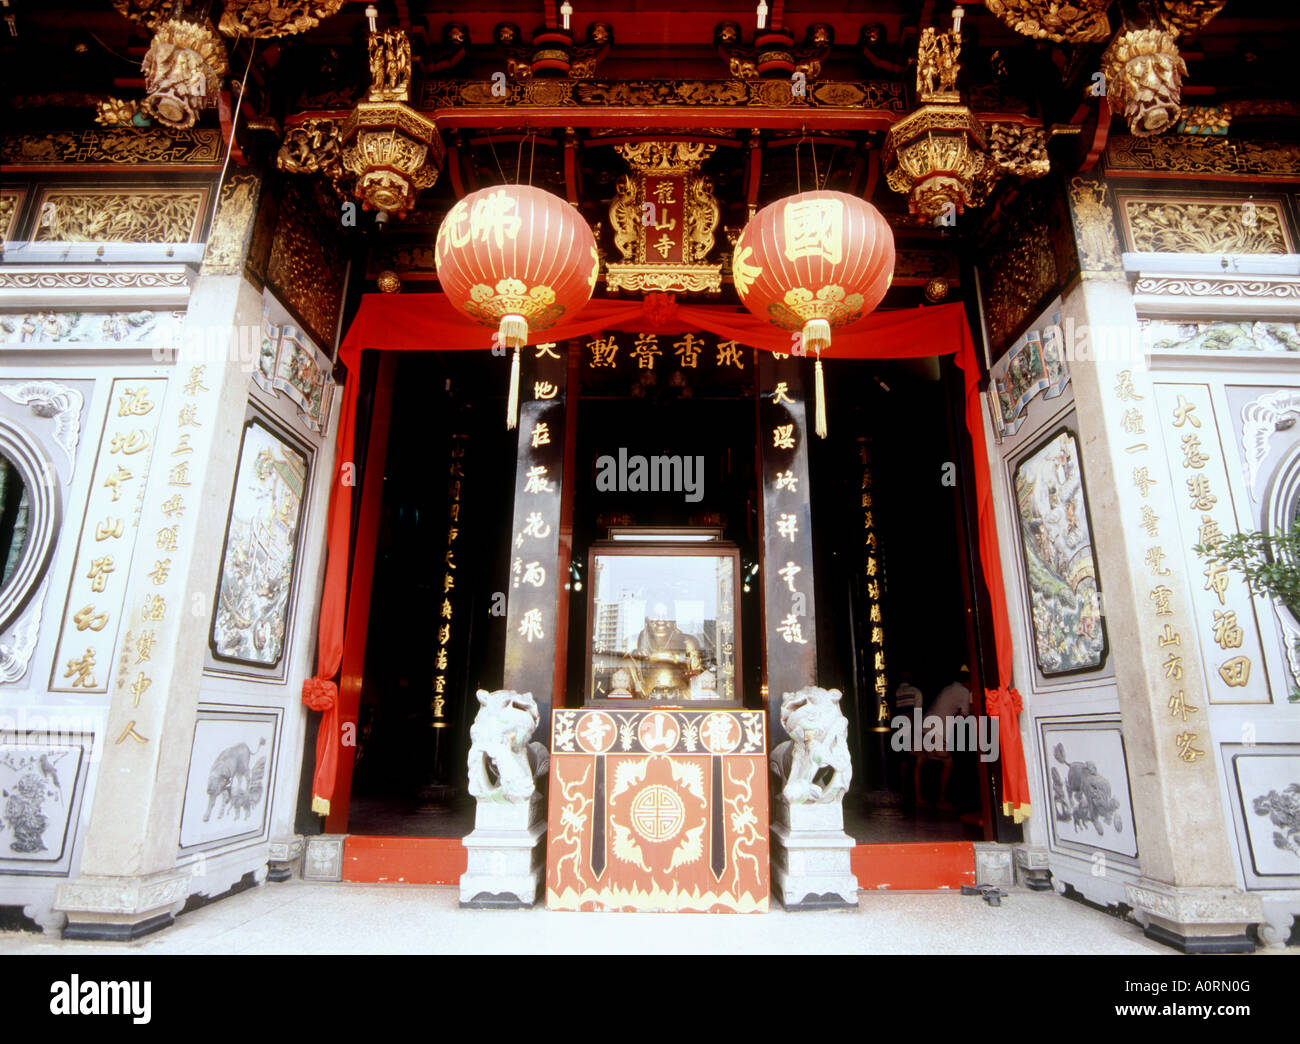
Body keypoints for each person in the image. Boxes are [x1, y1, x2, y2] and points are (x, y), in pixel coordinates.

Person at [623, 592, 703, 700]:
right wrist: (636, 658)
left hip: (681, 698)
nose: (661, 620)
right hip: (644, 697)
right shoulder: (634, 641)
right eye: (655, 616)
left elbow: (698, 675)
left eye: (666, 615)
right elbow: (625, 675)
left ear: (674, 618)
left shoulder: (688, 641)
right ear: (647, 619)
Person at [914, 665, 972, 811]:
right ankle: (941, 801)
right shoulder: (964, 692)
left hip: (922, 727)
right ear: (968, 681)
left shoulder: (947, 688)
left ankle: (918, 798)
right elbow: (966, 715)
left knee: (920, 761)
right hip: (935, 731)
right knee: (948, 763)